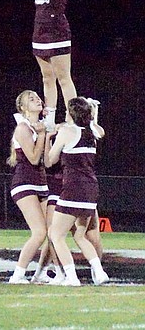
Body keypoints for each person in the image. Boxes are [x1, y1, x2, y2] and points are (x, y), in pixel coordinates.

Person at [0, 0, 88, 129]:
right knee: (47, 77)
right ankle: (51, 119)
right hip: (39, 32)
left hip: (57, 31)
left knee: (64, 78)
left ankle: (74, 119)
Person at [45, 96, 109, 286]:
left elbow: (51, 160)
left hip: (74, 188)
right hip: (91, 189)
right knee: (80, 235)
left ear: (72, 113)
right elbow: (98, 129)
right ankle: (99, 271)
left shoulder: (66, 131)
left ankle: (71, 277)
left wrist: (49, 138)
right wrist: (93, 114)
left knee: (55, 235)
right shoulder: (93, 132)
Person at [6, 90, 49, 284]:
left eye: (38, 97)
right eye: (31, 99)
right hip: (24, 183)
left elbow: (46, 160)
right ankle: (17, 275)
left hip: (41, 182)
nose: (37, 100)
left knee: (53, 233)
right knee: (39, 232)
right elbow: (32, 158)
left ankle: (42, 272)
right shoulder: (23, 128)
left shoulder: (40, 127)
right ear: (23, 108)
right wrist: (42, 135)